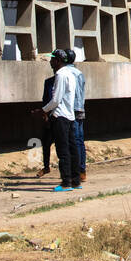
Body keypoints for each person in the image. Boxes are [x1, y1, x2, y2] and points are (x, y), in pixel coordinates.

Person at [40, 48, 81, 190]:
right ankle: (76, 181)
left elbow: (56, 99)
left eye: (52, 59)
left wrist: (43, 110)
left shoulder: (60, 75)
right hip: (69, 116)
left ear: (57, 61)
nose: (50, 62)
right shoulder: (70, 74)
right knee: (73, 149)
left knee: (63, 151)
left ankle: (66, 182)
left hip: (60, 116)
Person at [63, 49, 87, 184]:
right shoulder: (79, 73)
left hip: (72, 109)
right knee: (79, 141)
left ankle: (76, 171)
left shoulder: (66, 73)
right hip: (80, 108)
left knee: (73, 141)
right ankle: (82, 170)